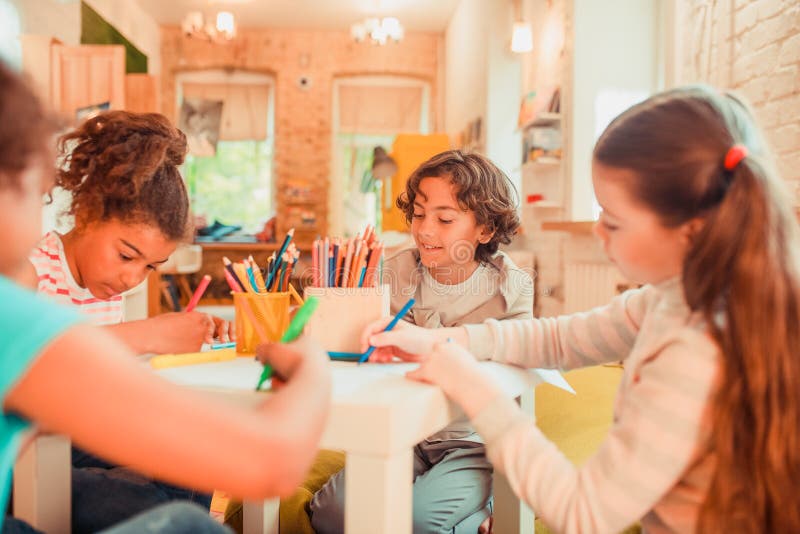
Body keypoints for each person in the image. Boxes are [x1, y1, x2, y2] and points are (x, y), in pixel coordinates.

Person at [360, 86, 800, 533]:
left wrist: (475, 388)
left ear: (690, 229)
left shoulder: (694, 353)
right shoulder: (673, 297)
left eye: (611, 219)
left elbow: (583, 515)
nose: (598, 230)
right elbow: (559, 338)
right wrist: (442, 340)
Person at [0, 61, 331, 534]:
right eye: (34, 191)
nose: (44, 206)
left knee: (184, 494)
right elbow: (272, 460)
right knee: (184, 521)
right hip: (43, 459)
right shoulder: (18, 294)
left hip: (75, 432)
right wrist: (312, 368)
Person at [310, 150, 533, 533]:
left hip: (472, 440)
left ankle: (485, 505)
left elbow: (519, 367)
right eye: (418, 213)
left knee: (418, 521)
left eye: (445, 218)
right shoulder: (392, 272)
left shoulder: (509, 287)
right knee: (332, 514)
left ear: (485, 231)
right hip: (405, 431)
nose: (425, 229)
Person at [21, 109, 232, 354]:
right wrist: (147, 334)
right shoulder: (31, 273)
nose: (132, 280)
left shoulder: (106, 286)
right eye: (126, 256)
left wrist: (191, 333)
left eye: (150, 267)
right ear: (88, 213)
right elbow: (20, 356)